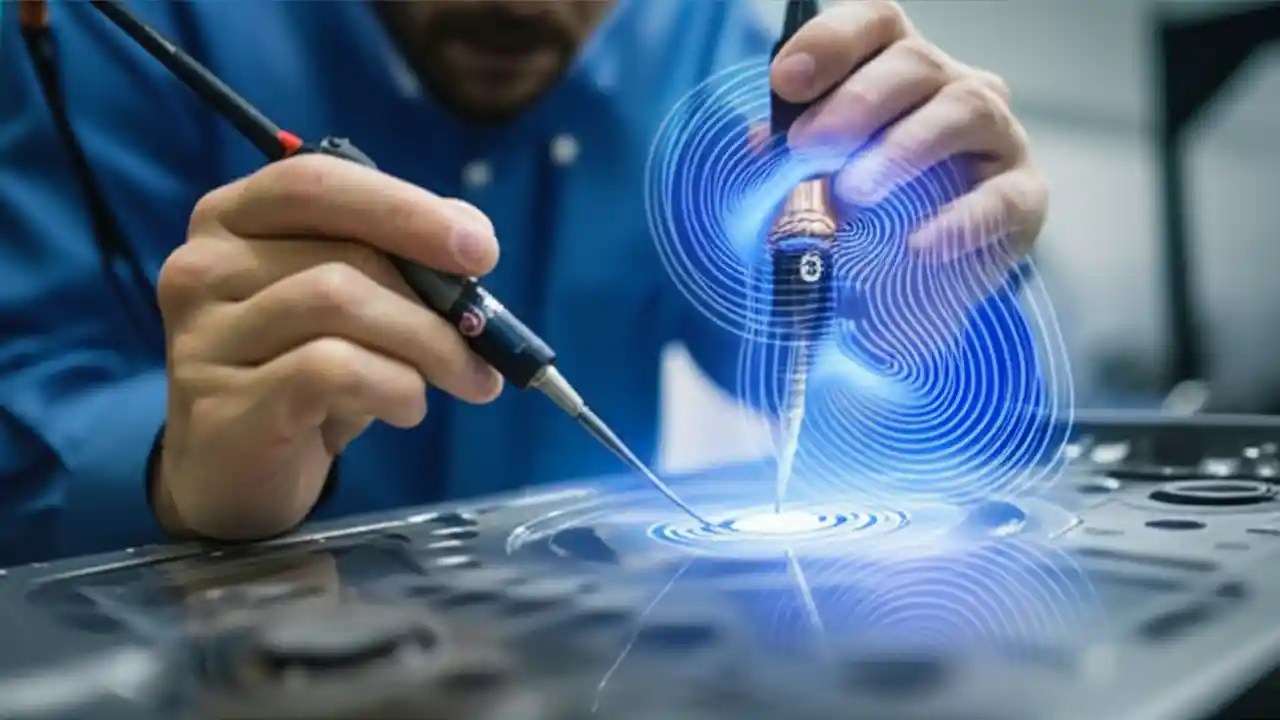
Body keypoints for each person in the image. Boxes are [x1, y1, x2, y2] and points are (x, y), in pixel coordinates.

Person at [0, 0, 1047, 565]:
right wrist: (179, 474)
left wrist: (931, 288)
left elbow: (806, 364)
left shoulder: (723, 48)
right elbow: (29, 393)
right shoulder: (106, 30)